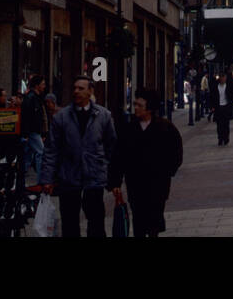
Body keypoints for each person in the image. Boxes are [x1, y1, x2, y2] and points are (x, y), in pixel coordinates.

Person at [41, 76, 118, 238]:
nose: (76, 91)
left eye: (81, 88)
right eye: (74, 88)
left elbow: (111, 146)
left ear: (90, 91)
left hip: (94, 177)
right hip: (69, 177)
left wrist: (108, 172)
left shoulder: (103, 115)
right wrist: (47, 178)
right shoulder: (61, 117)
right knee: (69, 223)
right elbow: (51, 150)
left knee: (96, 222)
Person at [109, 89, 183, 237]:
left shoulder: (165, 128)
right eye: (135, 104)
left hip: (158, 184)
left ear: (149, 108)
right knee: (139, 221)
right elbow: (118, 157)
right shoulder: (128, 129)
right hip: (136, 184)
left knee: (154, 221)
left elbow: (176, 153)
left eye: (139, 105)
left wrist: (167, 171)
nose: (135, 108)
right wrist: (115, 181)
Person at [21, 75, 49, 185]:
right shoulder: (31, 98)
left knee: (28, 156)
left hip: (33, 132)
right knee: (40, 153)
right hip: (32, 132)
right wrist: (27, 133)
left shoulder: (35, 97)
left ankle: (19, 181)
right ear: (37, 86)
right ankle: (40, 181)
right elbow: (27, 116)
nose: (44, 86)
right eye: (42, 84)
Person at [210, 71, 233, 145]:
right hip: (218, 107)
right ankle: (220, 138)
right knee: (219, 125)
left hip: (226, 107)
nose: (223, 79)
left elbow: (232, 96)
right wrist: (212, 107)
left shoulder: (228, 86)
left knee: (226, 124)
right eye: (221, 78)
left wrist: (231, 106)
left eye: (224, 77)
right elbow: (212, 97)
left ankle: (226, 138)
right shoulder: (215, 87)